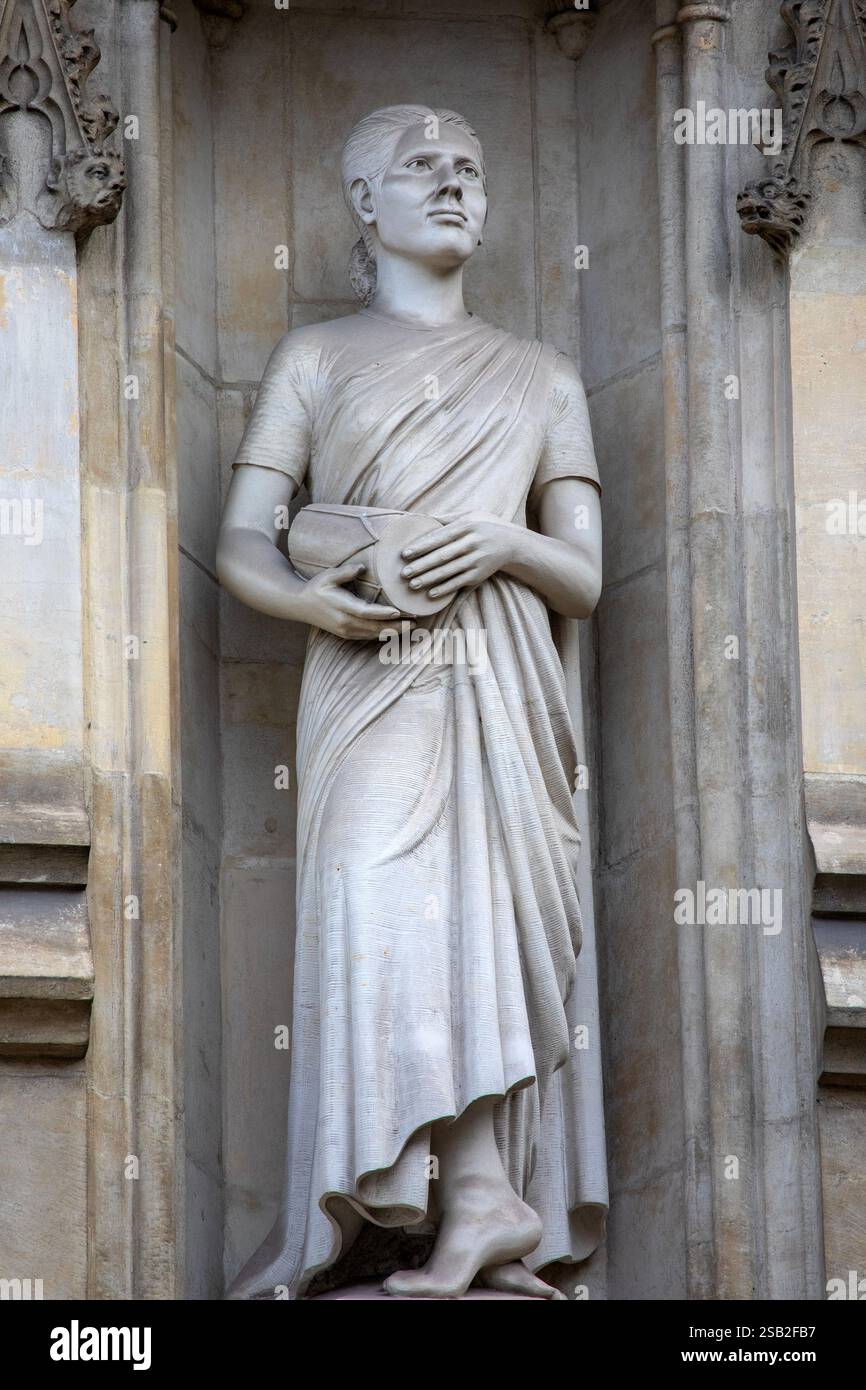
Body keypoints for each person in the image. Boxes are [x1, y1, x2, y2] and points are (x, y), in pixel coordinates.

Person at [217, 104, 606, 1300]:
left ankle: (484, 1194)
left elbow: (581, 576)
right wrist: (313, 606)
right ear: (363, 203)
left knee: (478, 920)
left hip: (499, 678)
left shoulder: (542, 375)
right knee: (374, 911)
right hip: (367, 674)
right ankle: (397, 1195)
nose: (452, 183)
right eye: (420, 167)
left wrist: (494, 538)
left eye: (470, 169)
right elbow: (243, 541)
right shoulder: (318, 357)